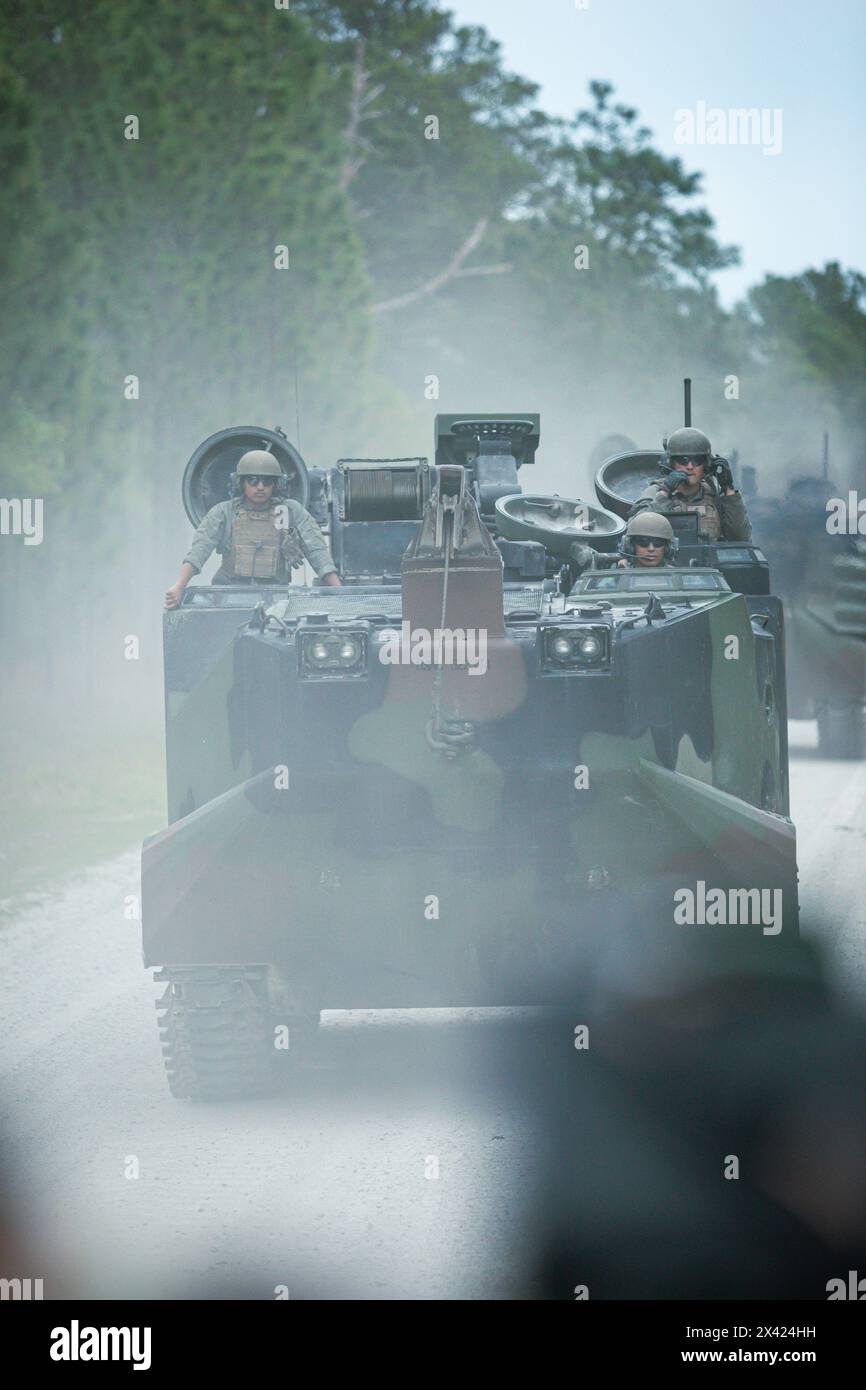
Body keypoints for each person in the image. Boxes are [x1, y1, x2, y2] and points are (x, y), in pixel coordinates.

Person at [165, 451, 341, 608]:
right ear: (241, 482)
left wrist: (340, 593)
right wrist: (180, 586)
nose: (260, 487)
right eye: (253, 480)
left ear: (276, 484)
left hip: (277, 599)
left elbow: (317, 553)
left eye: (267, 481)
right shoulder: (224, 512)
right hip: (229, 596)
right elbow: (198, 552)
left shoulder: (291, 511)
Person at [629, 427, 752, 542]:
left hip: (710, 564)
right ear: (670, 463)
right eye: (683, 460)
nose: (690, 467)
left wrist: (728, 490)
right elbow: (635, 536)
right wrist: (664, 494)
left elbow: (741, 537)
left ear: (707, 464)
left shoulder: (714, 494)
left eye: (697, 460)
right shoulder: (654, 493)